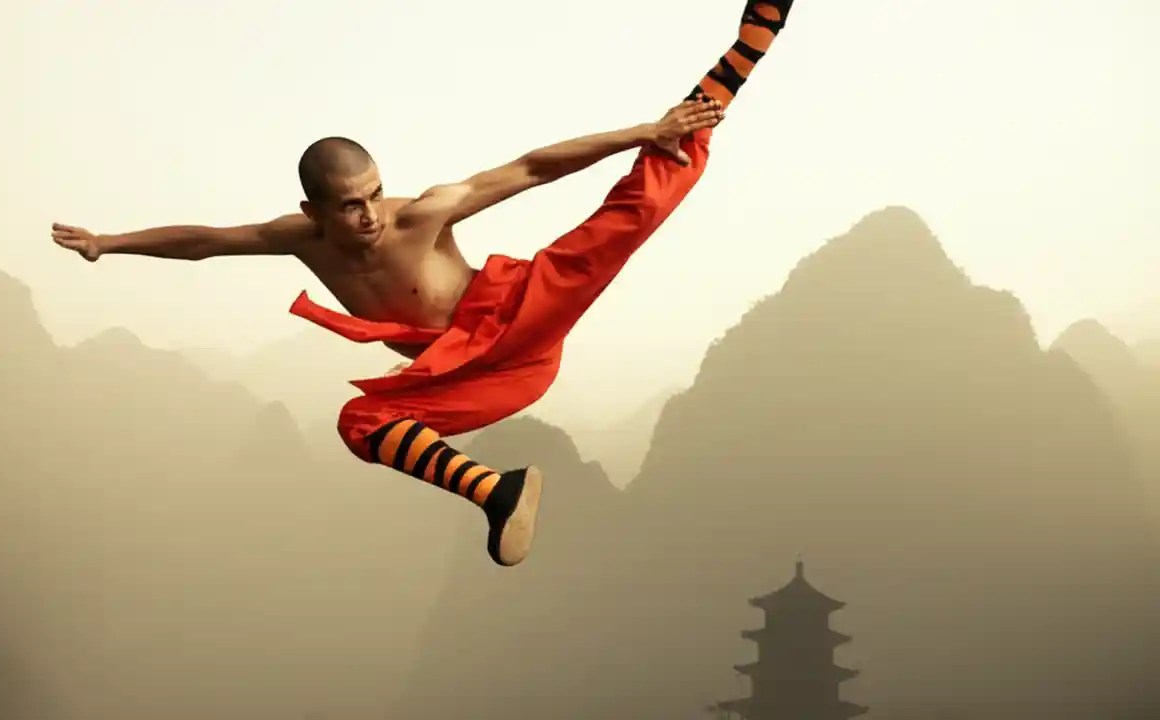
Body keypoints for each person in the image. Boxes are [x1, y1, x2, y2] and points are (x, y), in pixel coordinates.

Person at [52, 0, 796, 568]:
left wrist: (642, 130)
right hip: (472, 375)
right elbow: (207, 243)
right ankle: (496, 493)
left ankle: (749, 40)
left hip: (516, 317)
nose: (371, 214)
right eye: (350, 205)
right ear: (315, 210)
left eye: (375, 193)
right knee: (358, 425)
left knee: (633, 210)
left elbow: (532, 169)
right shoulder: (298, 239)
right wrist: (110, 244)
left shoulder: (421, 215)